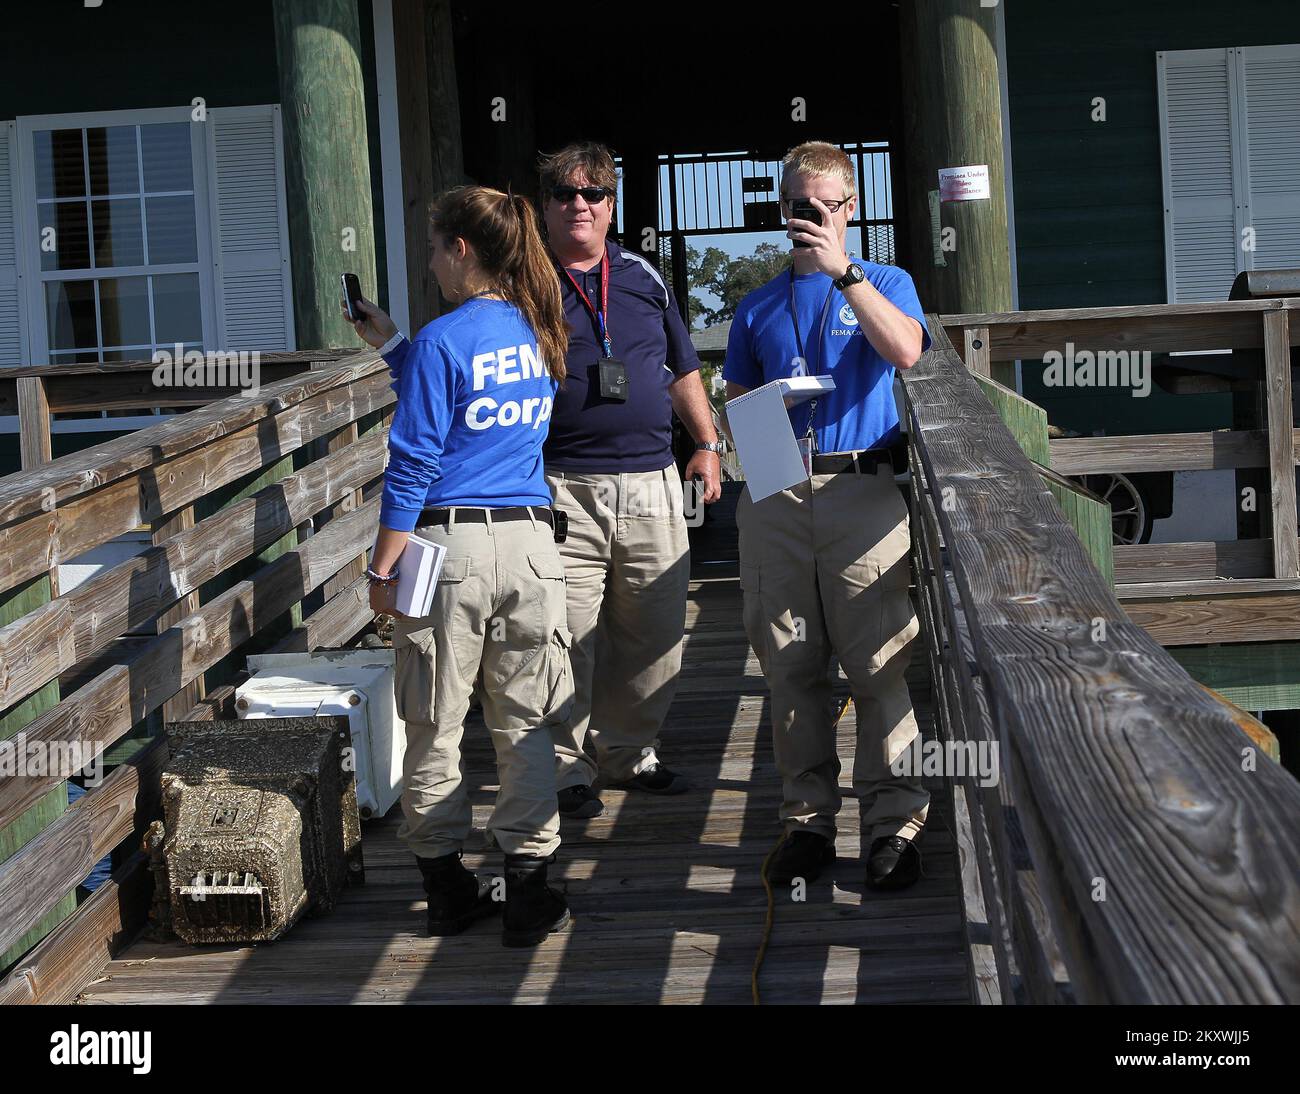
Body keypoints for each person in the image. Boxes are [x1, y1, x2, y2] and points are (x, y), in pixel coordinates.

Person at [346, 185, 574, 947]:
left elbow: (414, 462)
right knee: (526, 722)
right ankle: (530, 894)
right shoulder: (542, 329)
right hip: (533, 544)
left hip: (448, 550)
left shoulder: (447, 339)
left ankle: (447, 890)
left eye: (436, 248)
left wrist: (383, 570)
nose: (431, 263)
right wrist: (392, 347)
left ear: (463, 250)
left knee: (435, 724)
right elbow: (476, 405)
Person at [722, 141, 931, 891]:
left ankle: (894, 826)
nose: (807, 220)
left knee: (879, 667)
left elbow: (908, 352)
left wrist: (846, 274)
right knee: (790, 670)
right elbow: (740, 403)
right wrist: (769, 461)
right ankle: (808, 823)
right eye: (795, 207)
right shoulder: (757, 303)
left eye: (822, 206)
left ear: (851, 208)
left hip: (862, 490)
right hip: (780, 495)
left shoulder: (888, 280)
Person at [538, 142, 723, 820]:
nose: (578, 204)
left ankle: (628, 753)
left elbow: (681, 368)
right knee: (562, 633)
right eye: (564, 193)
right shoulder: (525, 282)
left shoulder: (645, 276)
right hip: (560, 486)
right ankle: (563, 769)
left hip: (651, 481)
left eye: (592, 194)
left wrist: (706, 442)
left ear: (612, 205)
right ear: (545, 205)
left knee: (654, 629)